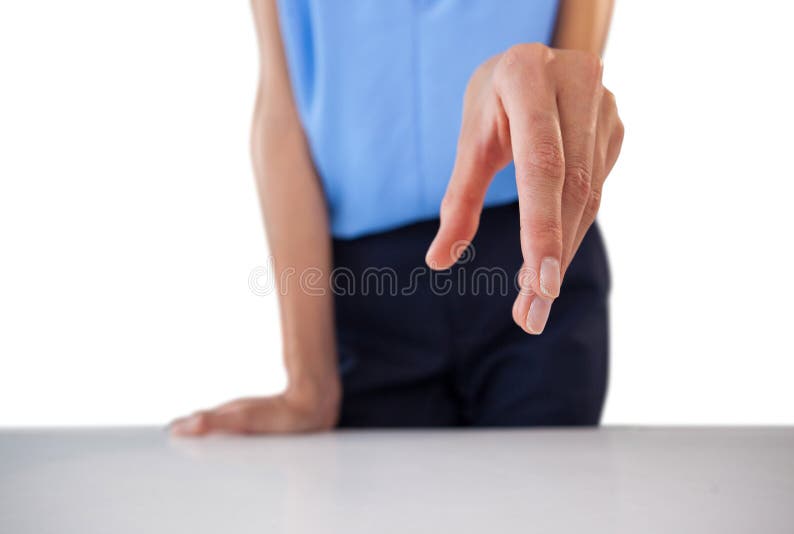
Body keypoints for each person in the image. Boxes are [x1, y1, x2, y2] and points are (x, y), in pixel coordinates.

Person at [171, 0, 623, 435]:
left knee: (544, 504)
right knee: (383, 511)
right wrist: (310, 382)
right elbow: (284, 114)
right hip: (363, 289)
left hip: (530, 257)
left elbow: (569, 82)